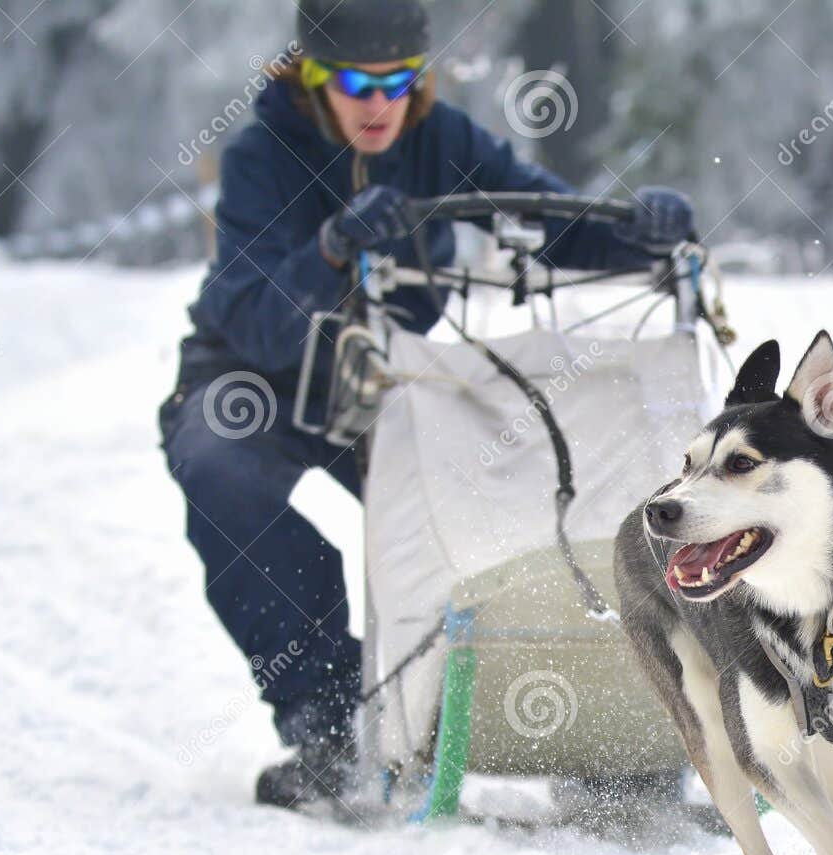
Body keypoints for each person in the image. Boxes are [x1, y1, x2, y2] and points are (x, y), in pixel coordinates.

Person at [162, 0, 694, 808]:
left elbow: (547, 219)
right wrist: (333, 248)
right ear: (310, 76)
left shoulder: (439, 138)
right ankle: (330, 725)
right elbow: (257, 316)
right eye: (353, 82)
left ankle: (596, 727)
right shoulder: (260, 154)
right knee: (218, 473)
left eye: (399, 81)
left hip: (386, 375)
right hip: (255, 379)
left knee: (518, 492)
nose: (379, 104)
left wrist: (638, 231)